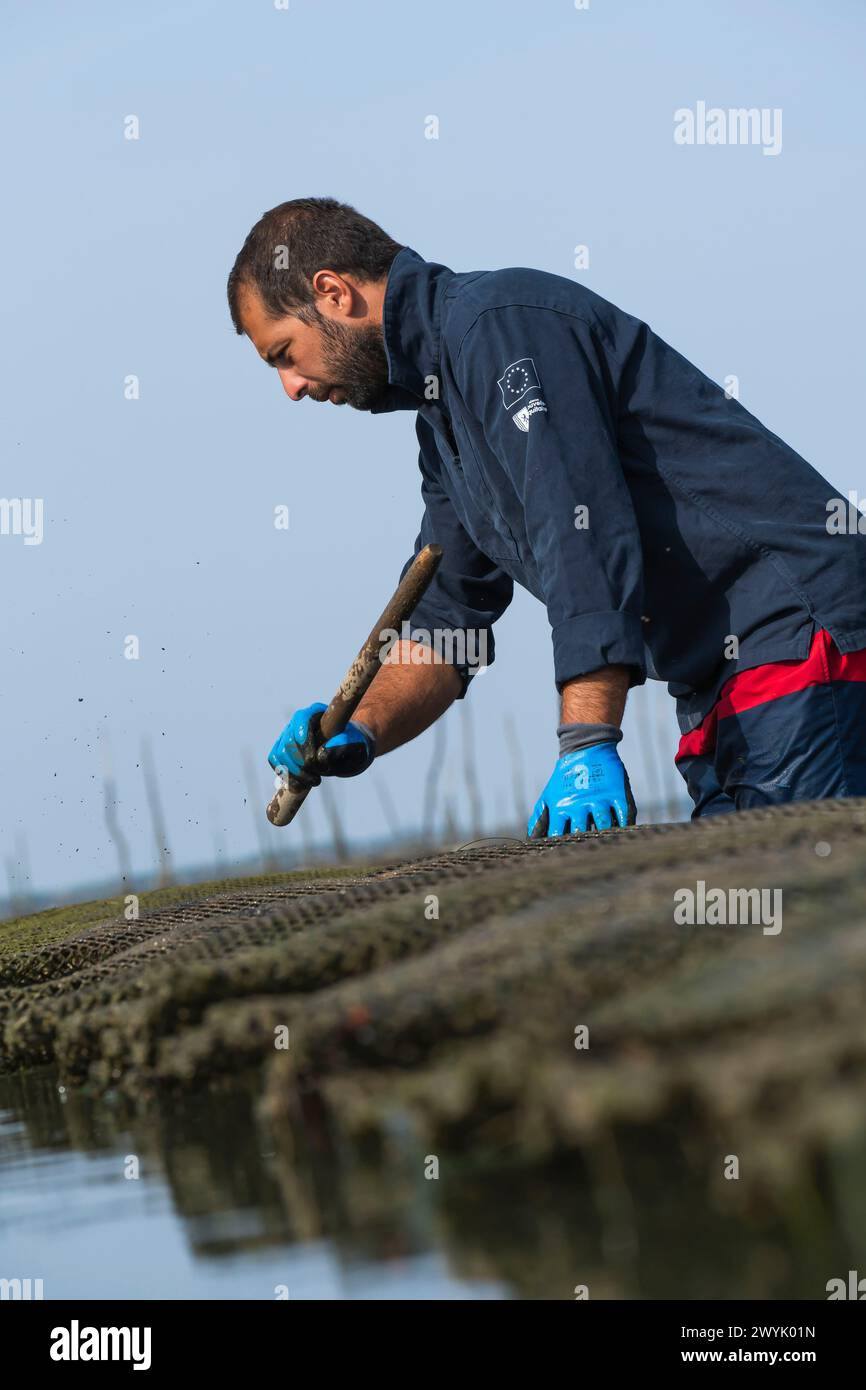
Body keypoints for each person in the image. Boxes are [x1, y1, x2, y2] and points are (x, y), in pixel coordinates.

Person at [227, 198, 866, 833]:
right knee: (742, 911)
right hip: (713, 682)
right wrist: (358, 727)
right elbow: (448, 618)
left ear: (333, 292)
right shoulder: (443, 421)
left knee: (795, 908)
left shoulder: (501, 330)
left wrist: (587, 740)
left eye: (284, 353)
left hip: (797, 634)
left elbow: (581, 525)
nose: (292, 388)